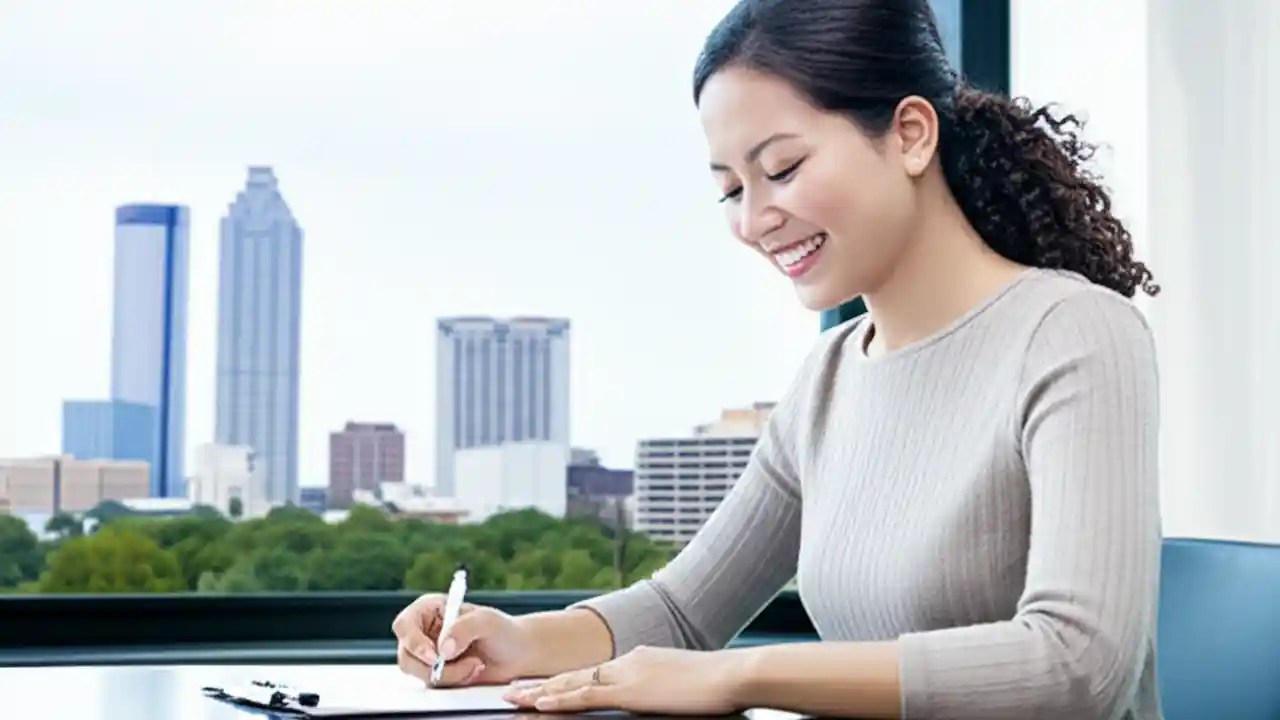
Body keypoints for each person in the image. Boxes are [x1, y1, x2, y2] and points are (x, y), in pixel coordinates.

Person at [392, 0, 1163, 717]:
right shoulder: (831, 377)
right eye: (730, 189)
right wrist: (518, 642)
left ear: (911, 135)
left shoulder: (1073, 333)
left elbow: (1078, 663)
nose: (756, 219)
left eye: (783, 169)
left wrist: (744, 675)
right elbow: (683, 610)